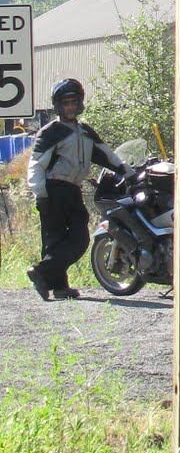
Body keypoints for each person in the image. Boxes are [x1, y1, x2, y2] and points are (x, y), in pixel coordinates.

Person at [26, 77, 127, 301]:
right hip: (52, 190)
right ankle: (58, 285)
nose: (70, 107)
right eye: (65, 103)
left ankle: (43, 274)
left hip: (72, 190)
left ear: (80, 103)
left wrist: (129, 172)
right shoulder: (50, 132)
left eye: (73, 102)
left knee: (79, 238)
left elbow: (109, 157)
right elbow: (36, 165)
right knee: (55, 240)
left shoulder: (85, 132)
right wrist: (40, 193)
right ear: (58, 106)